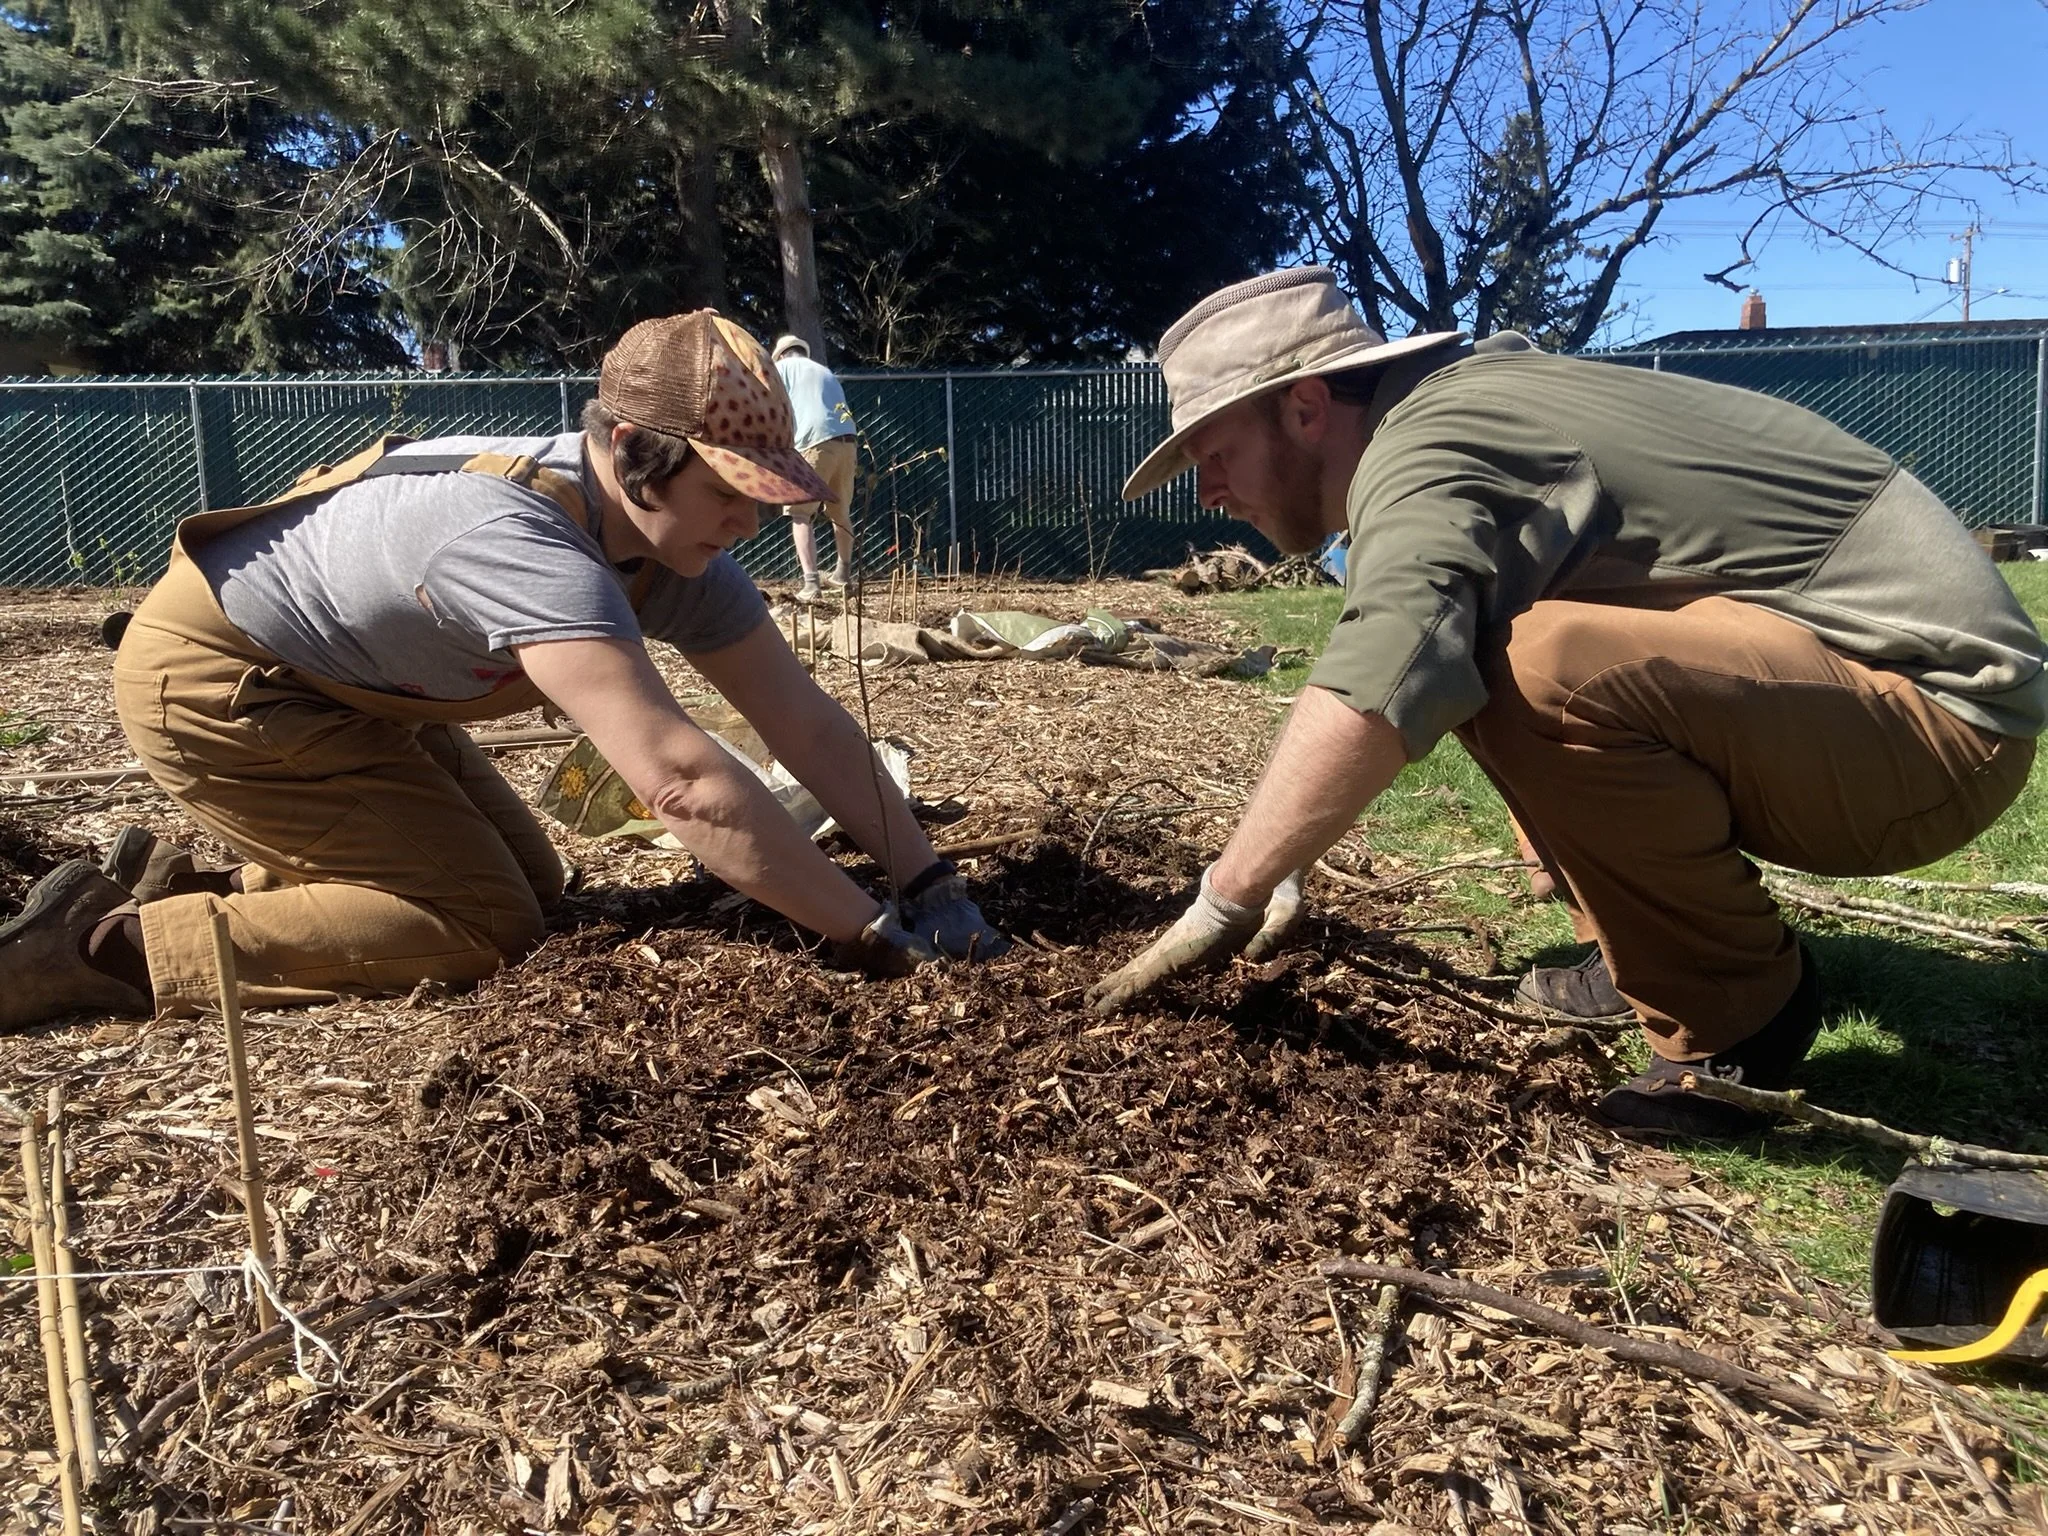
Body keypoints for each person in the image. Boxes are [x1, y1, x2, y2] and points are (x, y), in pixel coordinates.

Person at [1087, 266, 2045, 1136]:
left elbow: (1385, 670)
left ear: (1304, 409)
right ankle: (1648, 952)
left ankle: (1739, 1010)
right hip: (1853, 692)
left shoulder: (1427, 446)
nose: (1207, 491)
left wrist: (1228, 898)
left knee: (1536, 660)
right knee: (1498, 644)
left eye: (1213, 452)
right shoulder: (1462, 413)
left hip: (1940, 724)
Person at [0, 311, 1005, 1032]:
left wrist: (926, 878)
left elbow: (807, 724)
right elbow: (678, 784)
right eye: (724, 491)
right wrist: (869, 937)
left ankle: (260, 879)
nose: (745, 522)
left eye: (760, 495)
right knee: (478, 925)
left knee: (531, 888)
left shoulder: (672, 547)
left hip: (360, 690)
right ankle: (97, 955)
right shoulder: (518, 538)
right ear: (627, 449)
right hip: (225, 683)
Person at [771, 335, 859, 602]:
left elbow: (774, 408)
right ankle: (843, 575)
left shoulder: (782, 369)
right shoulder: (824, 371)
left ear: (782, 355)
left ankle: (811, 584)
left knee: (799, 513)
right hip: (847, 440)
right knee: (840, 513)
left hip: (815, 441)